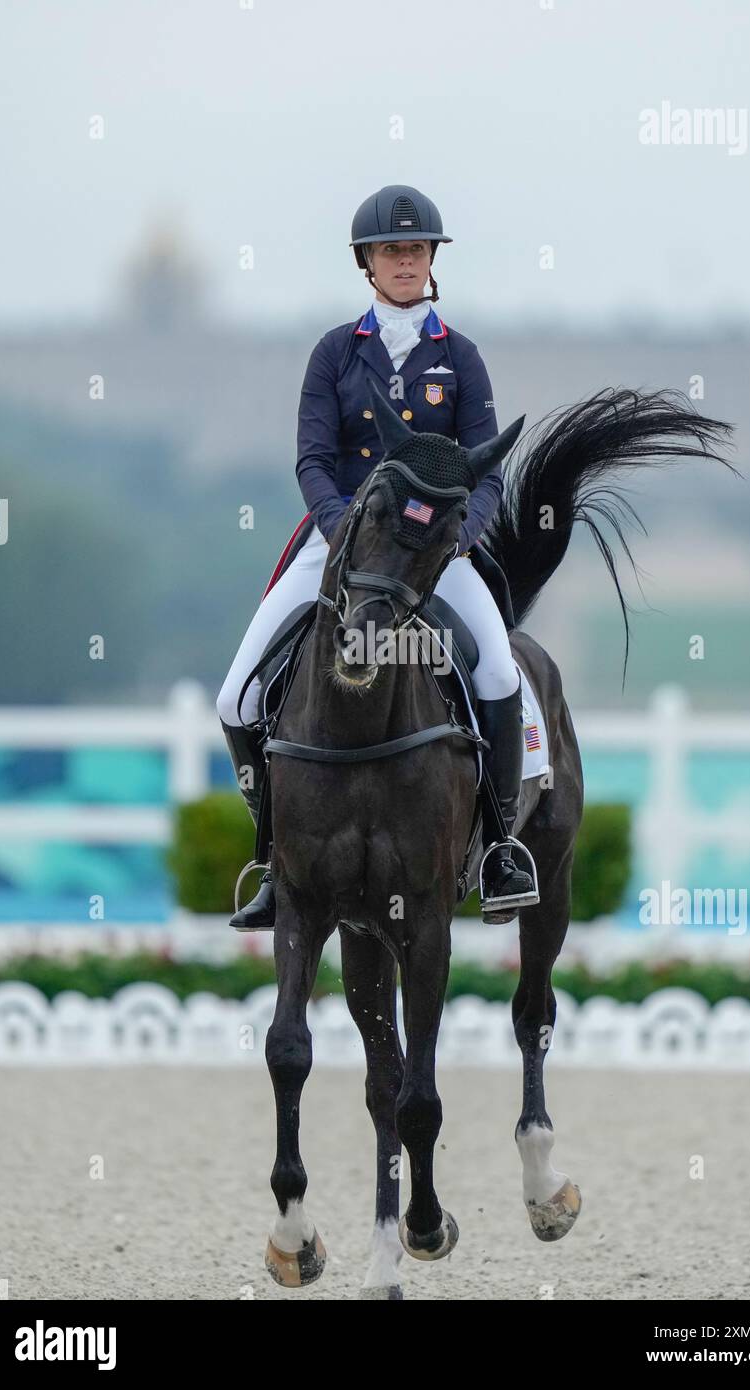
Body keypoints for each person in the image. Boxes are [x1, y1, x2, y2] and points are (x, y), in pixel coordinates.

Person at [216, 184, 538, 930]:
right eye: (393, 250)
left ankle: (498, 851)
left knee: (496, 669)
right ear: (367, 261)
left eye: (417, 249)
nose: (405, 261)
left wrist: (462, 535)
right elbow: (313, 459)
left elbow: (487, 470)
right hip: (342, 548)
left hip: (434, 549)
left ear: (431, 262)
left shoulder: (459, 357)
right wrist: (339, 531)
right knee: (235, 695)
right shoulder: (335, 353)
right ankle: (275, 854)